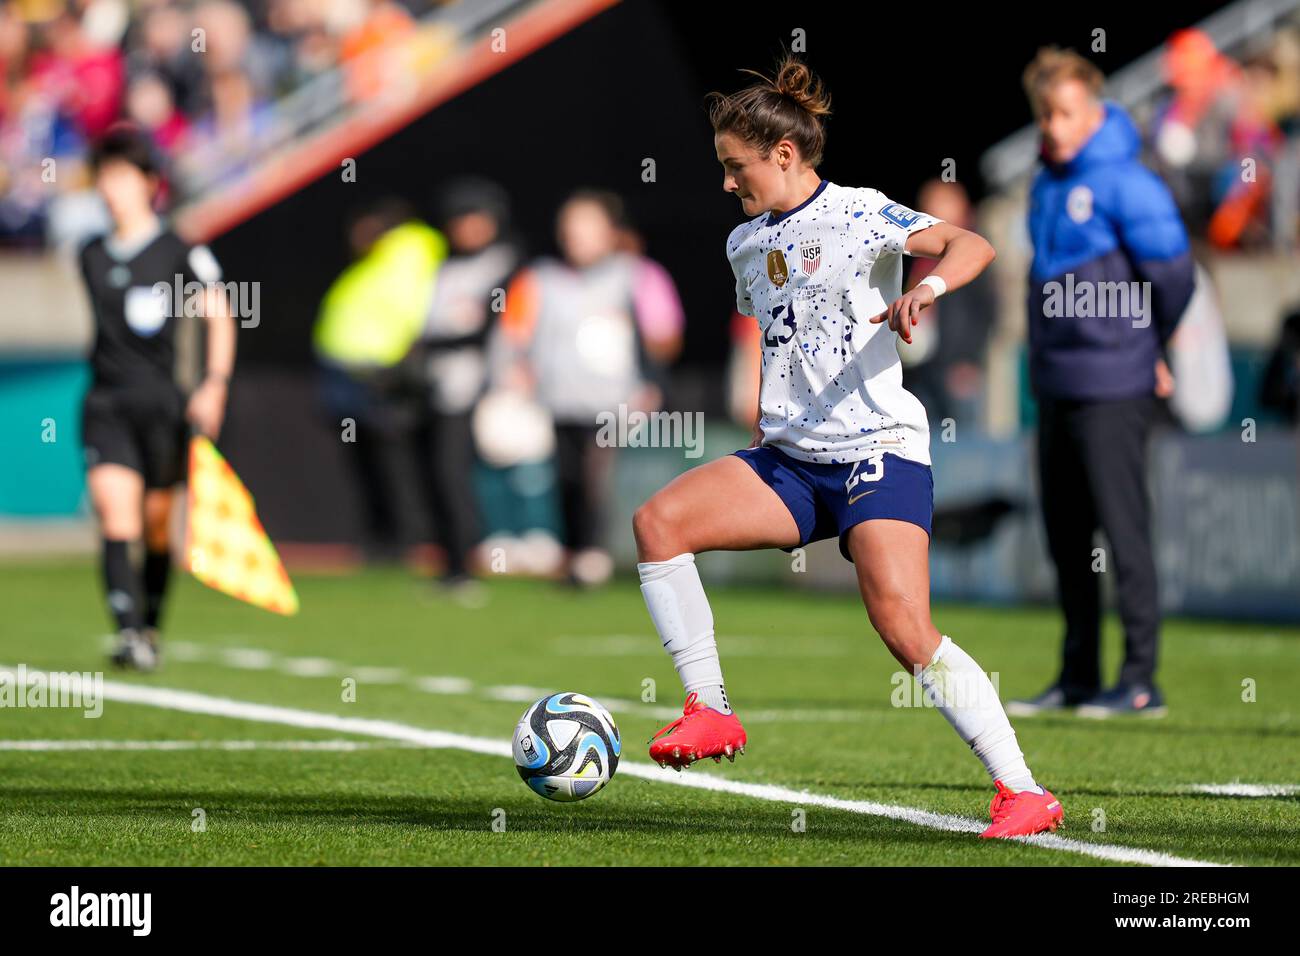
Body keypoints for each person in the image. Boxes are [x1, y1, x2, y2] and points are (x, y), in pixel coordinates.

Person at [631, 56, 1062, 839]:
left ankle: (1023, 790)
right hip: (792, 459)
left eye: (737, 167)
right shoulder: (742, 245)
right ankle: (711, 710)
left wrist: (925, 287)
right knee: (659, 523)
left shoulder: (861, 212)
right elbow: (776, 331)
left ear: (785, 155)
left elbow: (969, 244)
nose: (728, 183)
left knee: (902, 627)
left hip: (877, 450)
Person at [1008, 49, 1195, 719]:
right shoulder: (1044, 183)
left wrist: (1155, 344)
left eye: (1065, 112)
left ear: (1093, 110)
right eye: (1045, 114)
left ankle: (1140, 680)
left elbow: (1175, 277)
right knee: (1066, 537)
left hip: (1117, 381)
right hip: (1056, 382)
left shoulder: (1129, 181)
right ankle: (1078, 674)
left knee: (1124, 531)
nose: (1054, 126)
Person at [78, 125, 235, 671]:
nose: (110, 188)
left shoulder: (180, 250)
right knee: (114, 513)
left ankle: (150, 625)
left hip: (162, 404)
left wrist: (213, 384)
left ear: (150, 183)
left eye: (122, 176)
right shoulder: (91, 253)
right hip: (105, 405)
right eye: (104, 176)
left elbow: (220, 311)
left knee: (155, 522)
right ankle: (127, 633)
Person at [499, 189, 680, 588]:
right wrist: (517, 374)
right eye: (570, 228)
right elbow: (513, 335)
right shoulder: (539, 278)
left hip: (618, 403)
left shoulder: (637, 275)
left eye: (587, 227)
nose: (576, 237)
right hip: (558, 401)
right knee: (568, 478)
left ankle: (598, 555)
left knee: (598, 474)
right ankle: (577, 552)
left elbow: (666, 337)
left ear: (611, 232)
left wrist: (633, 346)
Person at [417, 177, 522, 597]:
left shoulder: (503, 263)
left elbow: (484, 331)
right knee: (441, 474)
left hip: (483, 386)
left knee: (458, 473)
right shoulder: (445, 265)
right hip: (441, 385)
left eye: (474, 219)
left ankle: (467, 567)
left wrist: (427, 344)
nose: (465, 229)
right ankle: (452, 563)